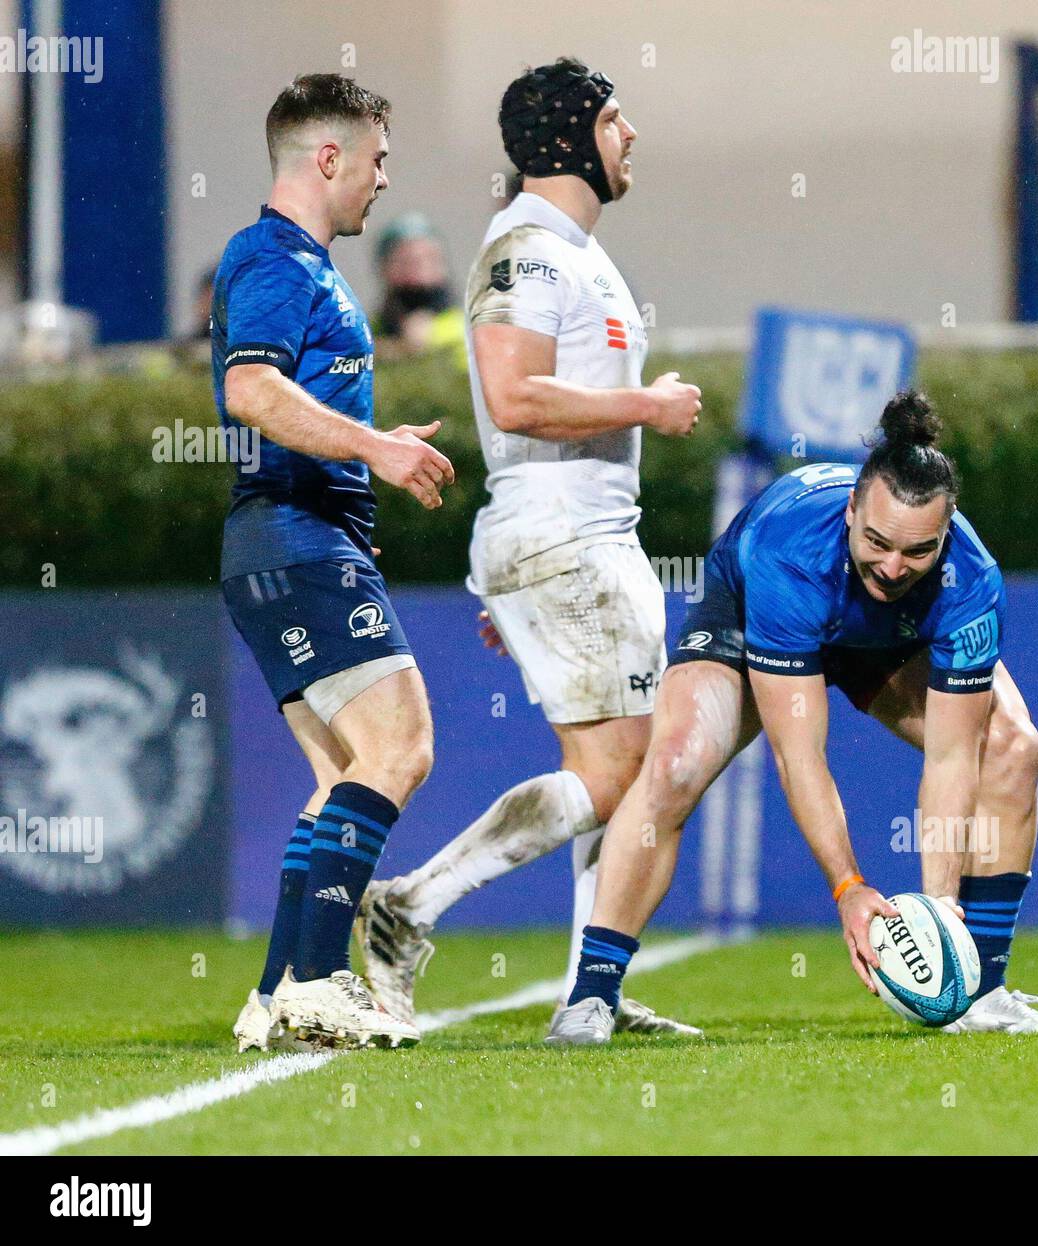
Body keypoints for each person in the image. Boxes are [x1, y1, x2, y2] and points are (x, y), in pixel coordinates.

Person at [548, 391, 1038, 1044]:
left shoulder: (970, 582)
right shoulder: (790, 557)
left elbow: (952, 756)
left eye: (917, 553)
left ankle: (983, 990)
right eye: (878, 542)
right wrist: (850, 887)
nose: (891, 566)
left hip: (891, 635)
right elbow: (798, 754)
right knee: (674, 765)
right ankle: (593, 994)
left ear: (946, 534)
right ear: (852, 511)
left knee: (1011, 748)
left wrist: (940, 907)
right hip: (761, 611)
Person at [355, 57, 703, 1038]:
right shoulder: (527, 248)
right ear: (569, 137)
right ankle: (412, 903)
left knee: (620, 774)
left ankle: (589, 991)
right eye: (613, 118)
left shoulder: (569, 250)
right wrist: (649, 402)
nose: (628, 136)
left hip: (576, 535)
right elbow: (512, 397)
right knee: (621, 775)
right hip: (565, 533)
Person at [217, 74, 455, 1051]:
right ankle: (319, 979)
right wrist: (377, 449)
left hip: (277, 545)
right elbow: (248, 388)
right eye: (378, 159)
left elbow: (288, 394)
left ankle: (275, 992)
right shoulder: (277, 259)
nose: (383, 180)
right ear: (329, 158)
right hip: (297, 536)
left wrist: (364, 434)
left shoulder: (301, 265)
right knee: (401, 749)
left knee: (338, 779)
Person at [372, 213, 466, 364]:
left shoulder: (467, 331)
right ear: (384, 268)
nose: (419, 271)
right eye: (406, 261)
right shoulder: (367, 331)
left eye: (429, 259)